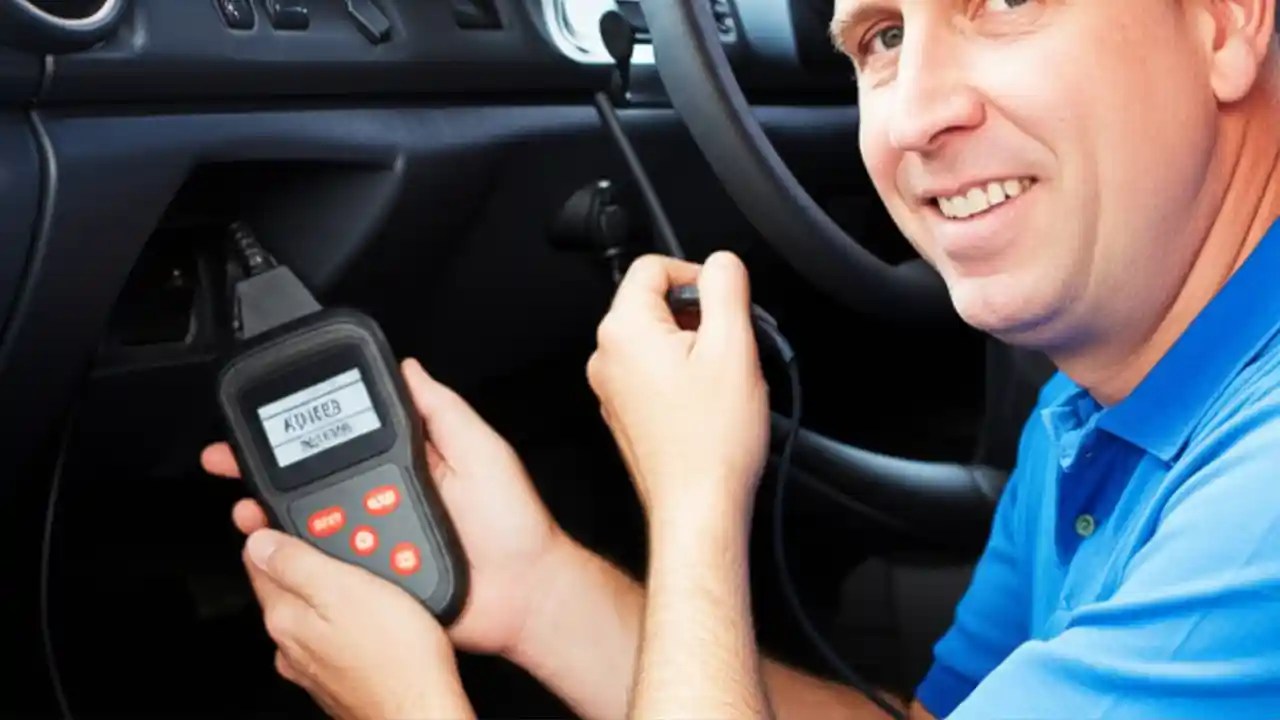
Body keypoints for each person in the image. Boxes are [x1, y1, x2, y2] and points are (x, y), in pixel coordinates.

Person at [201, 0, 1280, 716]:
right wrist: (539, 591)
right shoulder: (1092, 400)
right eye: (879, 40)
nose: (913, 116)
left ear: (1226, 19)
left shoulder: (1257, 514)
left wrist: (692, 500)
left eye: (999, 0)